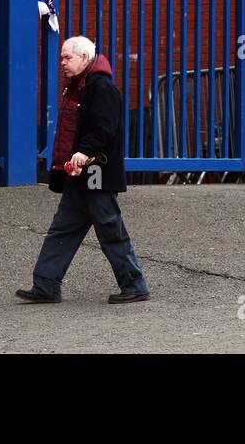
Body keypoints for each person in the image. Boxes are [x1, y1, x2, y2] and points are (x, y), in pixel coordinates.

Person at [15, 35, 150, 304]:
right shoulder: (79, 86)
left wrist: (84, 152)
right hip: (78, 173)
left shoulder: (100, 88)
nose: (62, 62)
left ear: (85, 58)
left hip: (95, 172)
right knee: (62, 230)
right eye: (61, 57)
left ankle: (135, 285)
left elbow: (104, 129)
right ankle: (46, 285)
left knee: (110, 229)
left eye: (68, 57)